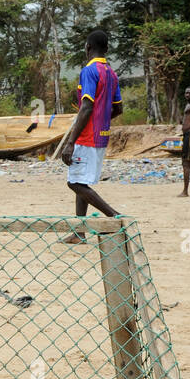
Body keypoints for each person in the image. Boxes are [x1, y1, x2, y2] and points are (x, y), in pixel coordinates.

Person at [58, 30, 122, 243]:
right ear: (107, 49)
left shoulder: (89, 71)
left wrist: (70, 142)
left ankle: (114, 217)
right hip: (101, 135)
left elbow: (86, 107)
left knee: (74, 183)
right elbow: (118, 109)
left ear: (87, 47)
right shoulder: (111, 73)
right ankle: (79, 232)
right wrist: (102, 119)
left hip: (87, 137)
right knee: (81, 180)